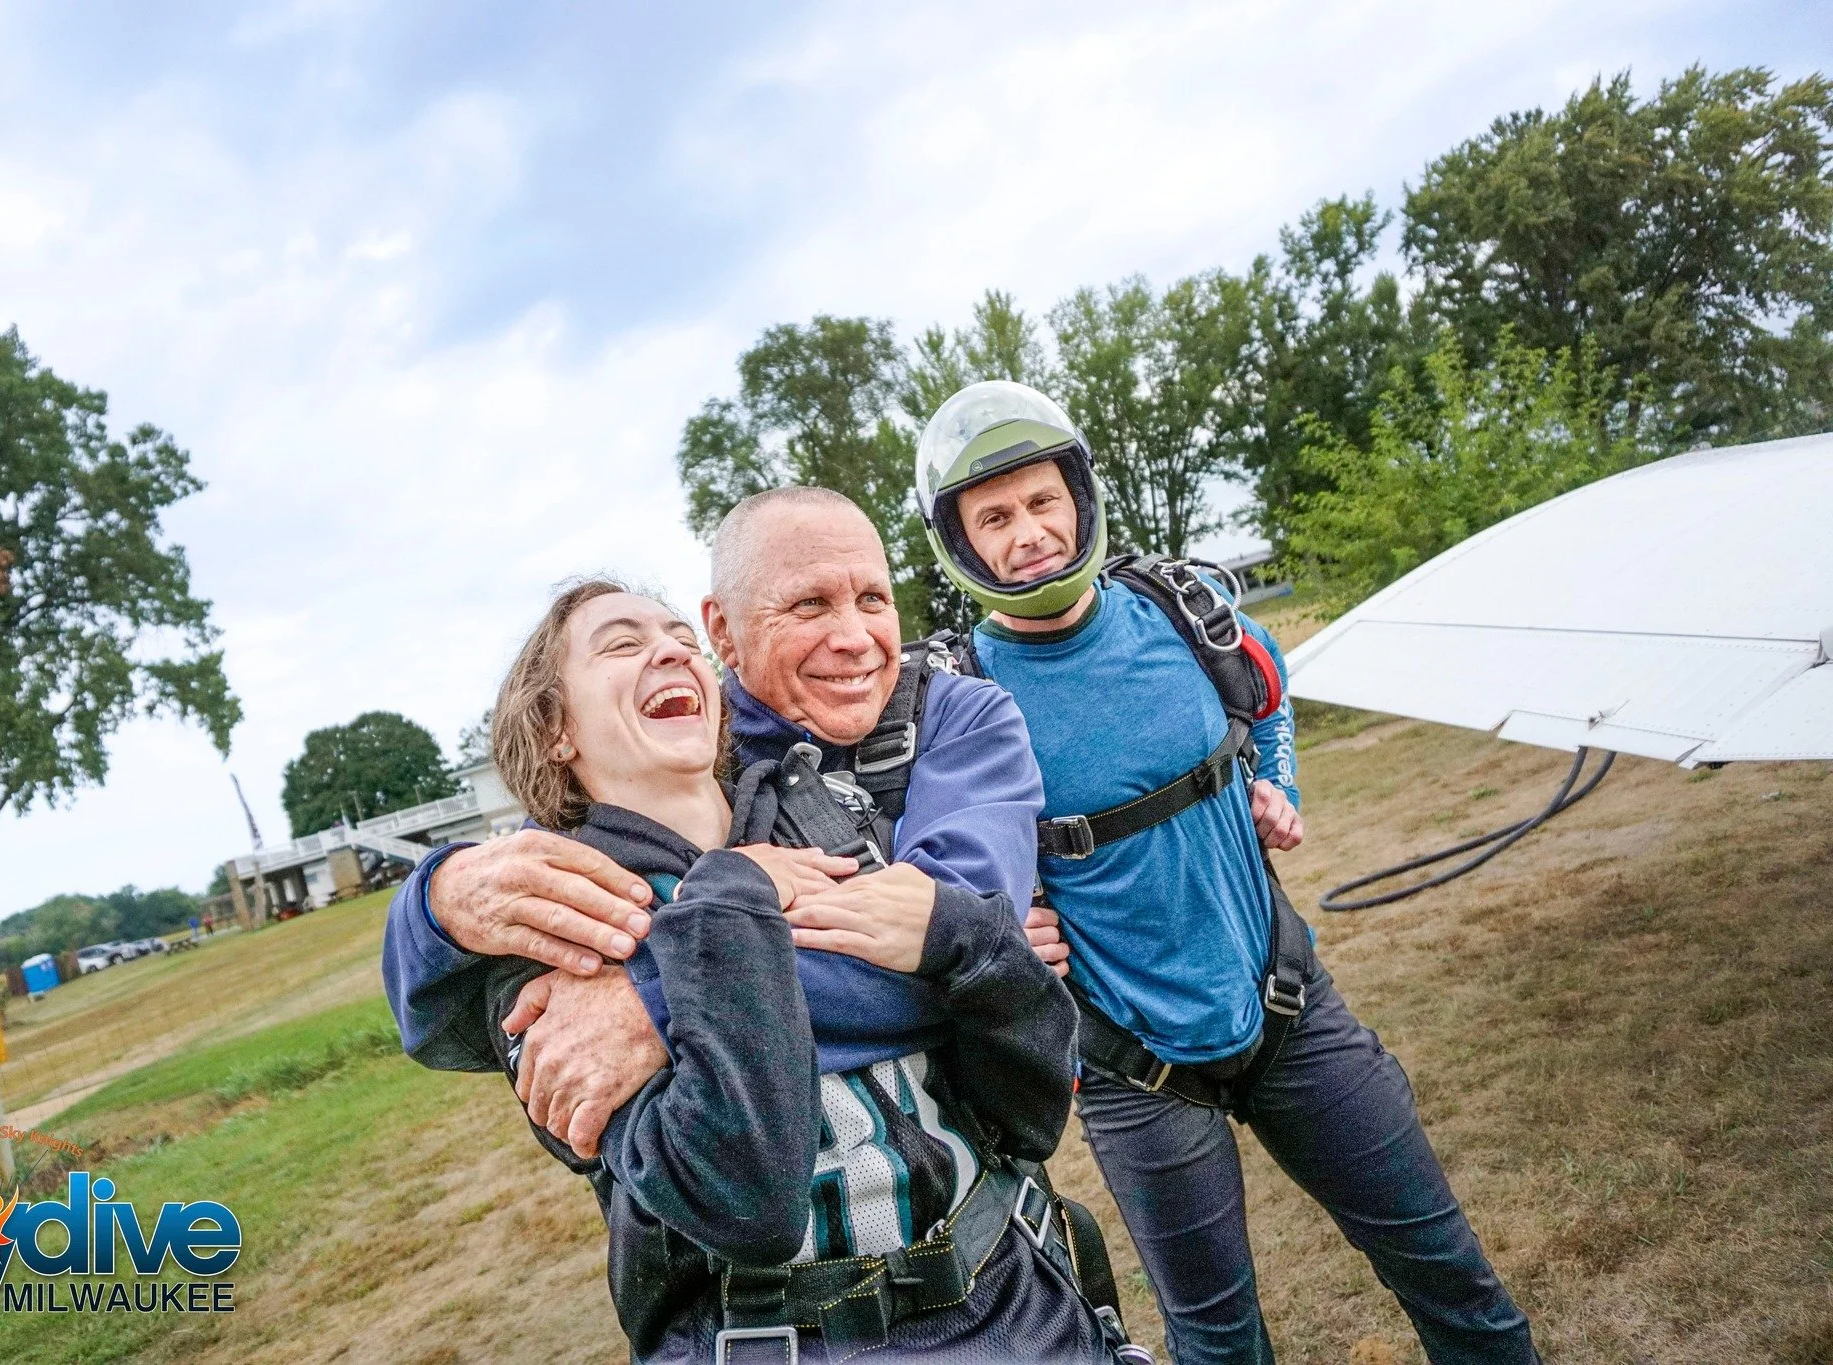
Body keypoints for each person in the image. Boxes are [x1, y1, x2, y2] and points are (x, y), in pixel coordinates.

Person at [907, 380, 1539, 1365]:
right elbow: (938, 869)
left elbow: (1268, 688)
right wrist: (996, 923)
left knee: (1448, 1272)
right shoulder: (958, 703)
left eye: (1039, 502)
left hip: (1289, 1010)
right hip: (1132, 1067)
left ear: (1076, 498)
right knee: (1215, 1344)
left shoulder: (1179, 609)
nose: (1024, 532)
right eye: (993, 517)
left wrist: (1271, 779)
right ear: (962, 542)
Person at [447, 576, 1121, 1363]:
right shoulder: (549, 929)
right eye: (622, 644)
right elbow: (749, 1199)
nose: (669, 649)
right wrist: (735, 899)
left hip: (1022, 1305)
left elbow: (1032, 1102)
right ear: (555, 727)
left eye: (678, 640)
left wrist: (964, 936)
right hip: (781, 1341)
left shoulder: (829, 813)